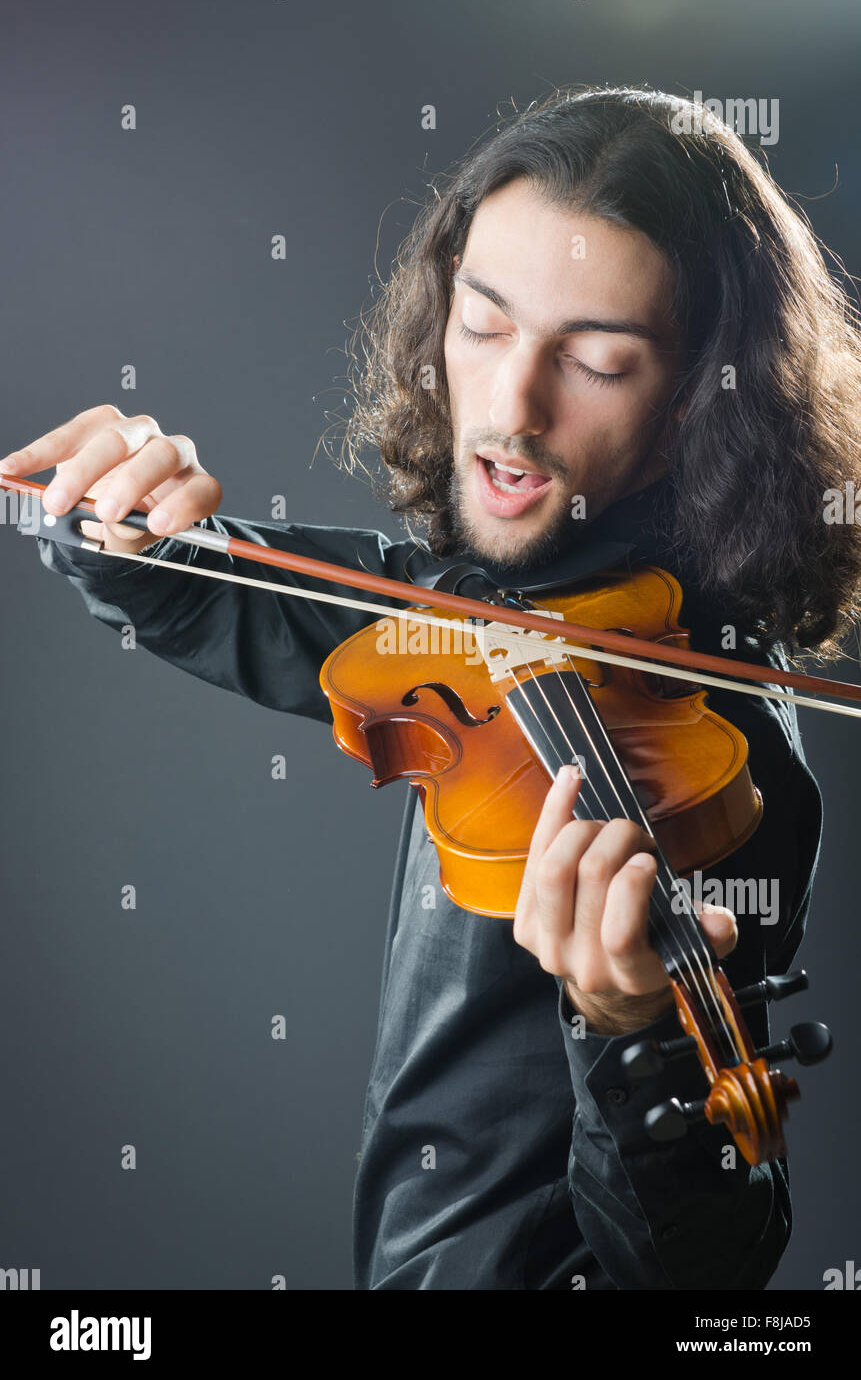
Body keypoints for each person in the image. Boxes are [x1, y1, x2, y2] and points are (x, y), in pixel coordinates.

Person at [7, 87, 861, 1290]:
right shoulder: (457, 605)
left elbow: (711, 1265)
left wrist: (636, 1035)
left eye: (598, 360)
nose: (512, 411)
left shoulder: (726, 753)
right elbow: (217, 594)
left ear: (697, 400)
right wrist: (119, 513)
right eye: (483, 321)